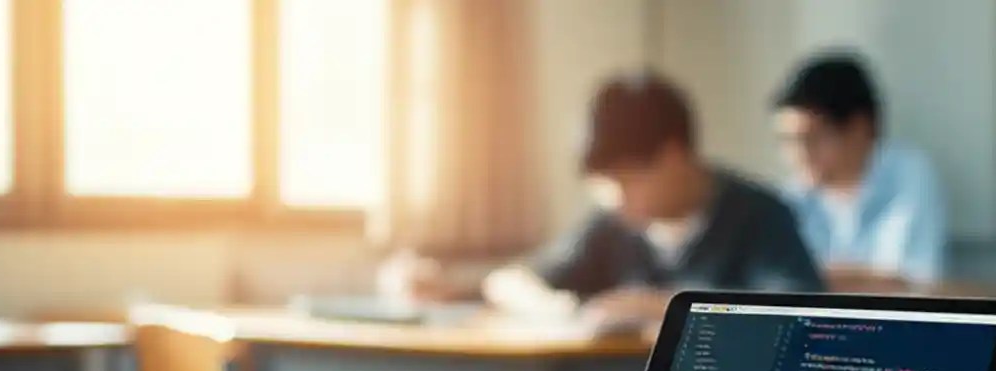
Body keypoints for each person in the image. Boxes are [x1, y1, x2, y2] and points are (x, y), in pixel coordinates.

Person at [382, 71, 825, 329]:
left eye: (625, 180)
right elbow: (531, 276)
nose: (615, 200)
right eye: (603, 186)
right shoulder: (613, 226)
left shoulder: (760, 216)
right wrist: (451, 286)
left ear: (673, 156)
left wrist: (655, 305)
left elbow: (800, 311)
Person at [773, 53, 945, 288]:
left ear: (858, 128)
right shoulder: (793, 196)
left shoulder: (908, 175)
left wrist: (811, 276)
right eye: (788, 141)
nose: (798, 155)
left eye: (812, 139)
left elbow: (913, 282)